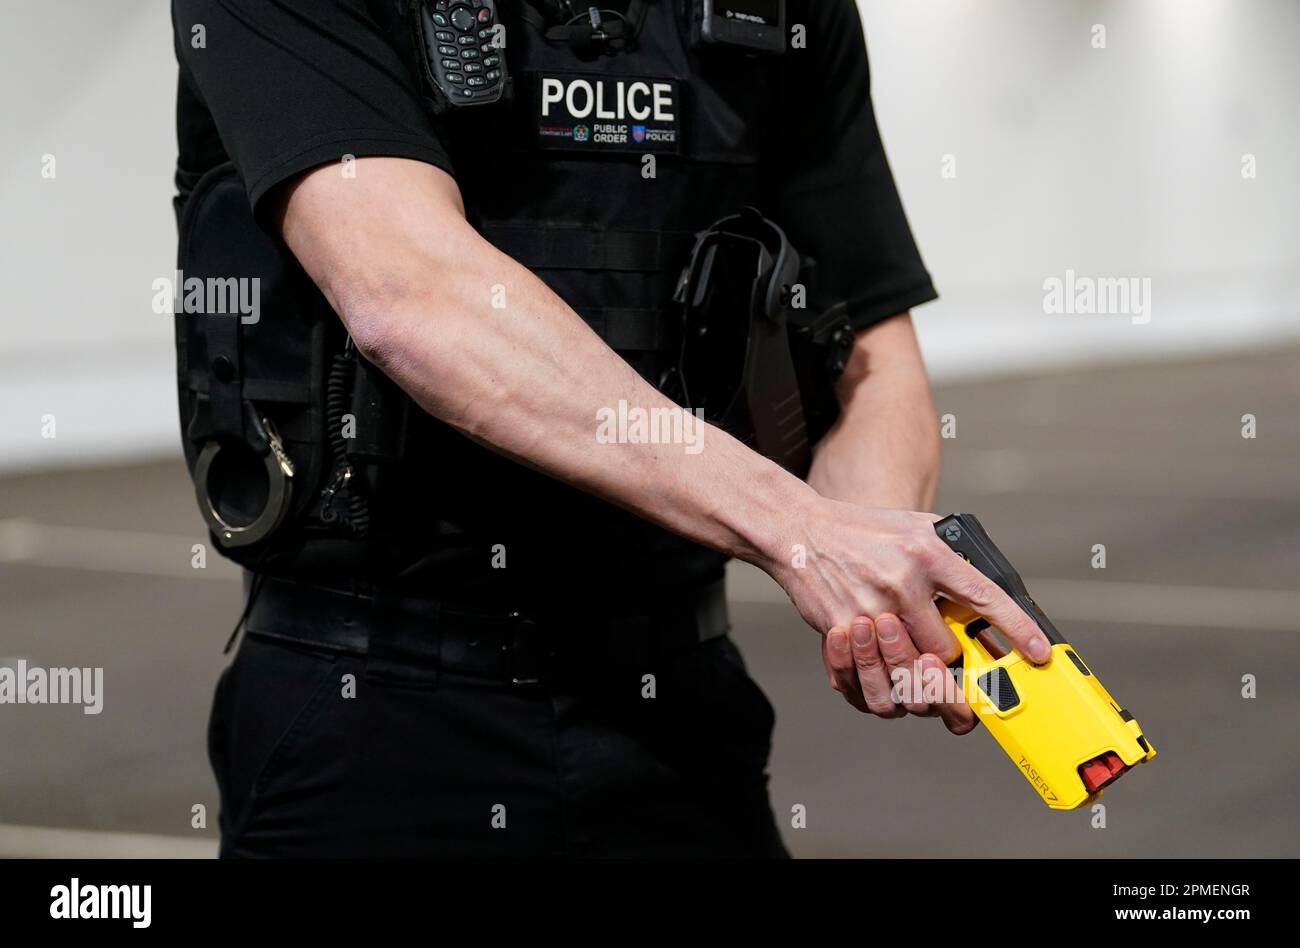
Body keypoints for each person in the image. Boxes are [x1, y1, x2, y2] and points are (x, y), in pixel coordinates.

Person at [171, 0, 1050, 857]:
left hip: (678, 701)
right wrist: (806, 533)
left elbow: (867, 342)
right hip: (377, 707)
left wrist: (881, 587)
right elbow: (411, 297)